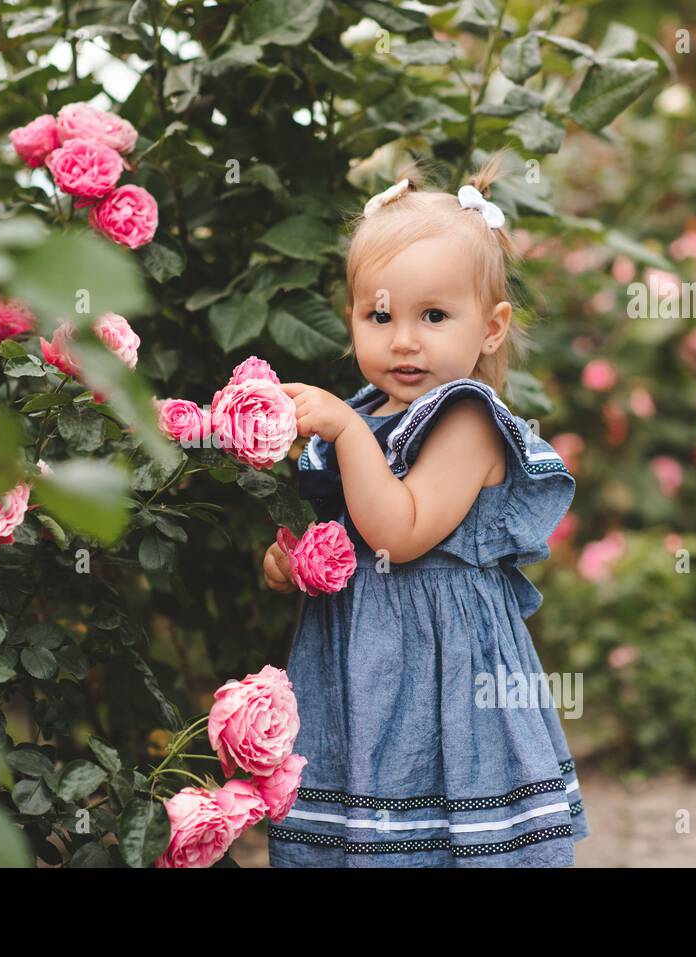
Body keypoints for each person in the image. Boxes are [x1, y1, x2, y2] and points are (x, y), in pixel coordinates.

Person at [263, 154, 589, 866]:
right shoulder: (369, 411)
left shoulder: (467, 419)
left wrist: (344, 433)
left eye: (434, 315)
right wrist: (301, 559)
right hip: (359, 652)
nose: (404, 338)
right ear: (351, 316)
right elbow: (355, 530)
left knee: (440, 820)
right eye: (379, 314)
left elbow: (400, 530)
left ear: (492, 327)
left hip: (442, 663)